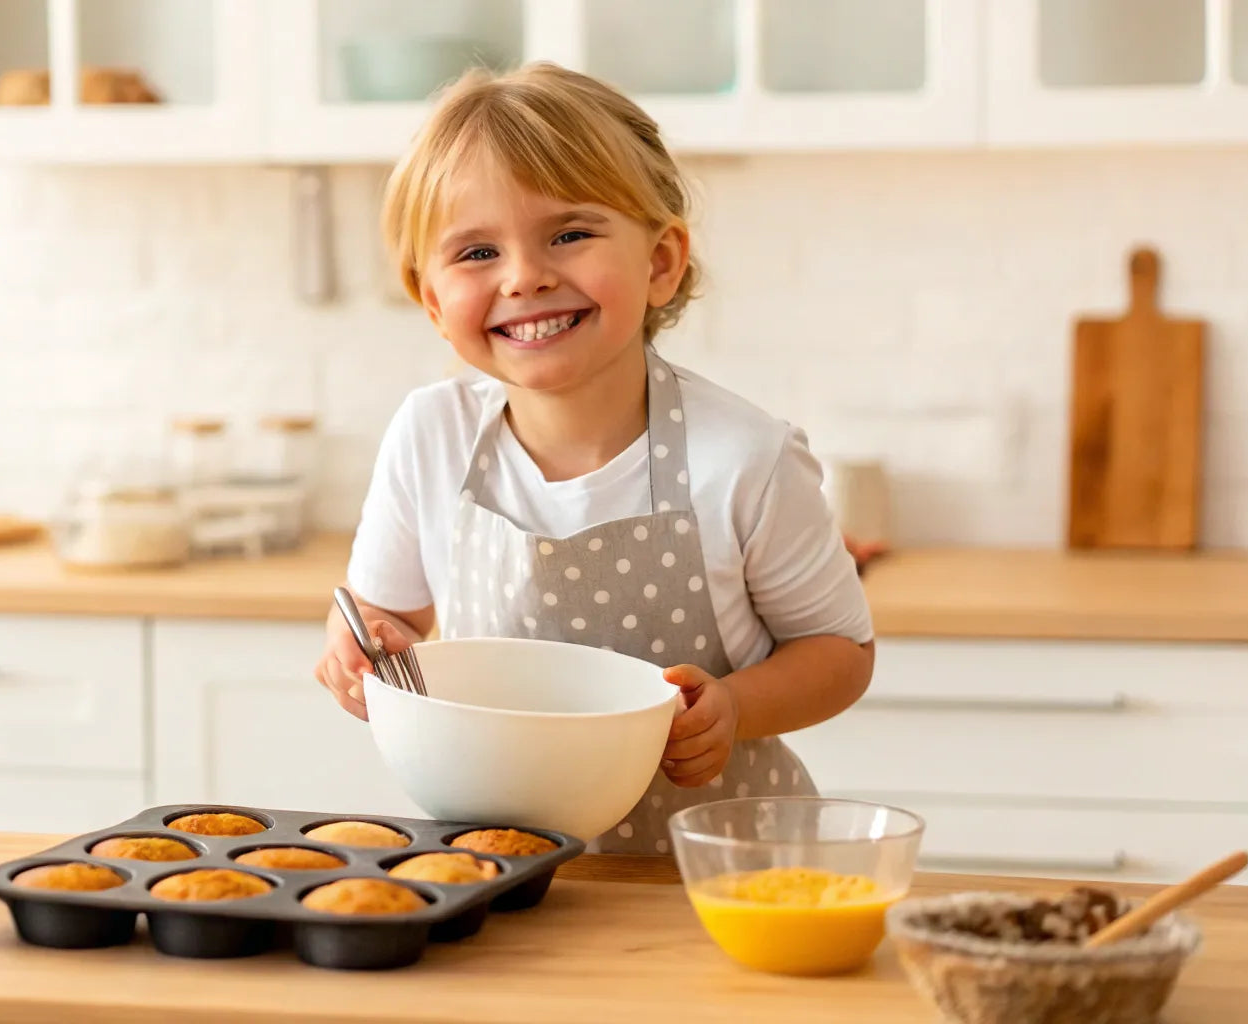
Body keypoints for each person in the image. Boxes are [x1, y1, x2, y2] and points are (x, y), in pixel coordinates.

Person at [313, 62, 876, 856]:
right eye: (476, 252)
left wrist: (736, 706)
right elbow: (388, 621)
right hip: (502, 864)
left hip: (721, 869)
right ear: (432, 300)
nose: (525, 277)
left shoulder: (746, 457)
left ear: (659, 263)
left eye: (569, 234)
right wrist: (360, 650)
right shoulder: (428, 436)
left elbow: (840, 653)